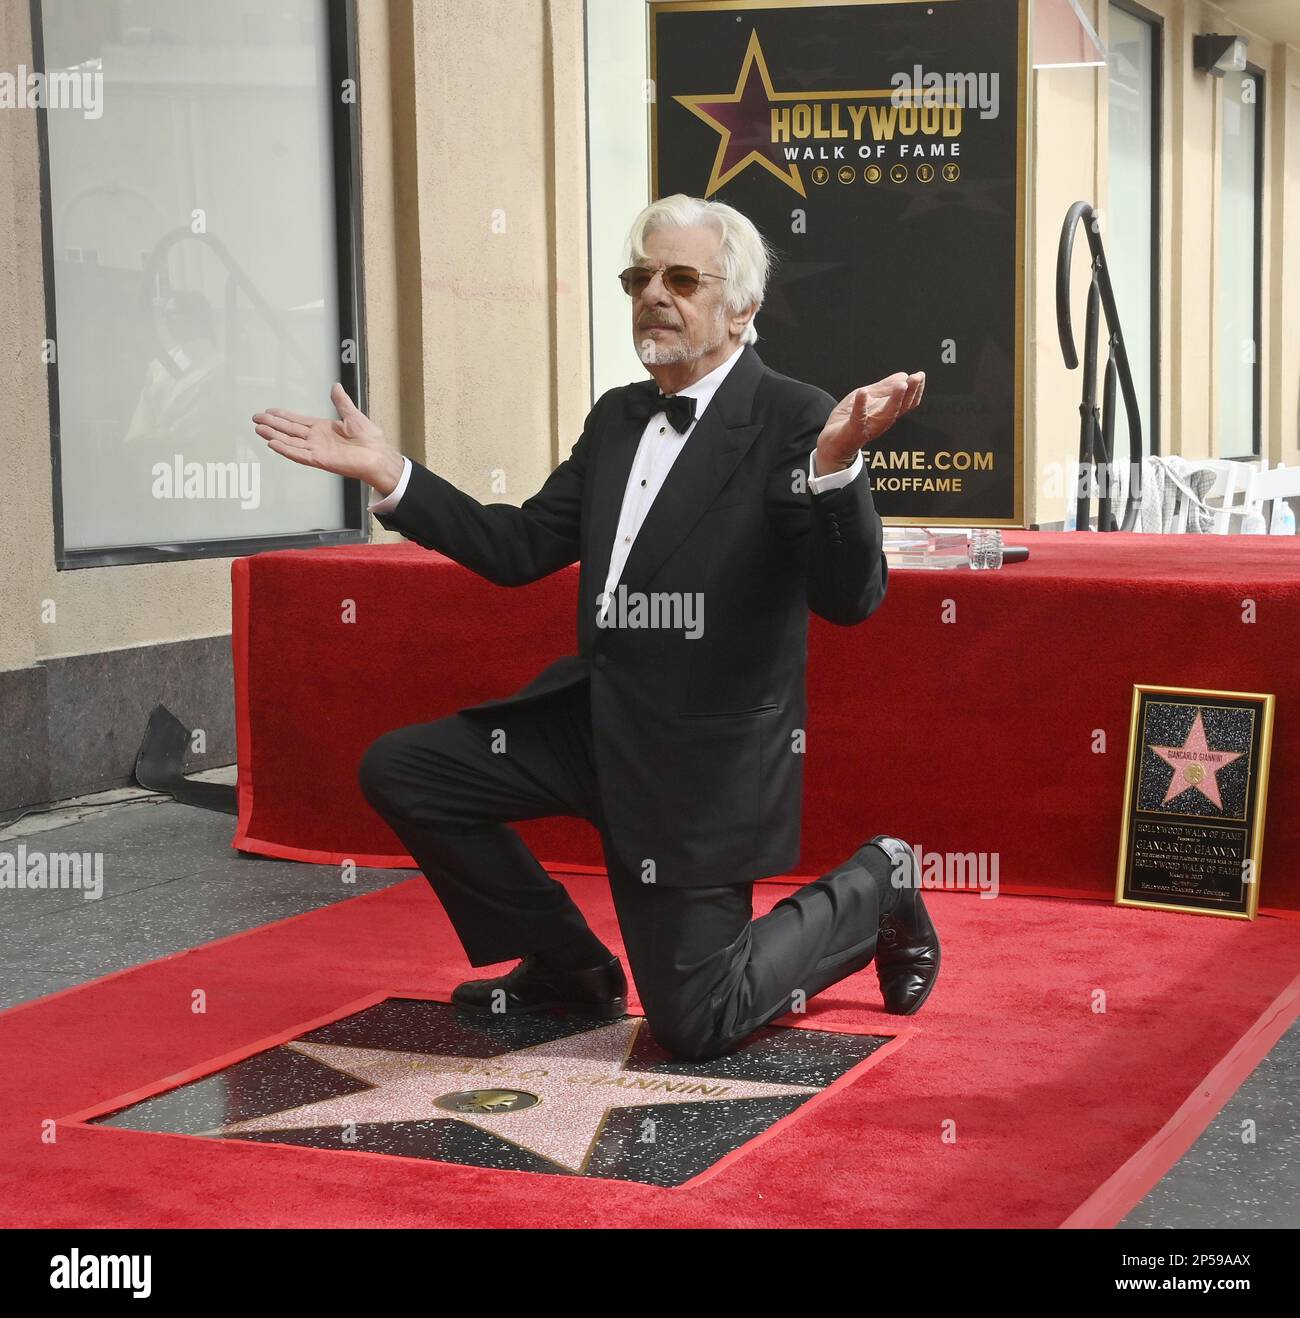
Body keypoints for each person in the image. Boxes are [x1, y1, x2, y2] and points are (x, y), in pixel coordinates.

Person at [252, 193, 939, 1062]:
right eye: (639, 276)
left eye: (682, 278)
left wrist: (838, 469)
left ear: (743, 309)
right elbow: (519, 547)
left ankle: (881, 883)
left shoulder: (798, 419)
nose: (655, 292)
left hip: (699, 761)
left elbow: (851, 599)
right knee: (407, 770)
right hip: (595, 720)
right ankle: (568, 965)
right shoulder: (618, 415)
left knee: (697, 1023)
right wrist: (395, 475)